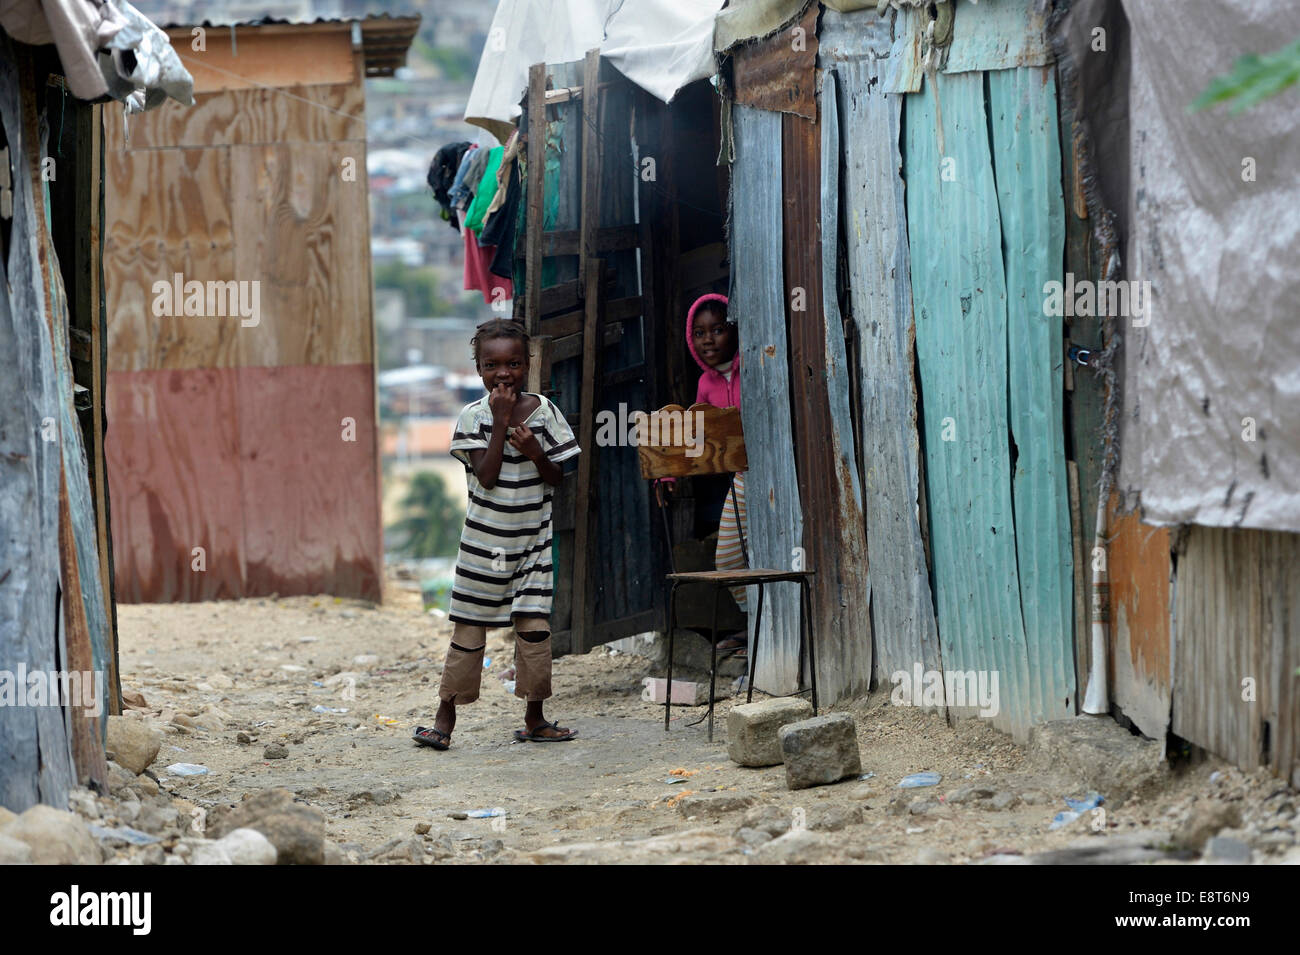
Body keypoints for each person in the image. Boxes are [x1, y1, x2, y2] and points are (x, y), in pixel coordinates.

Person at [413, 319, 580, 749]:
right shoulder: (473, 417)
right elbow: (486, 477)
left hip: (531, 546)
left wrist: (535, 451)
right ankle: (444, 721)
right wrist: (502, 423)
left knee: (534, 632)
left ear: (527, 365)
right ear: (478, 369)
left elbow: (557, 477)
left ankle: (535, 718)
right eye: (492, 364)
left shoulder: (546, 413)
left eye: (513, 363)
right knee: (468, 635)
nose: (503, 373)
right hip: (482, 548)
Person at [686, 293, 750, 653]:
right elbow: (697, 439)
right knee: (727, 559)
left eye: (718, 329)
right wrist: (667, 474)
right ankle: (756, 621)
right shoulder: (706, 385)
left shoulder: (754, 364)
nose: (708, 339)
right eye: (699, 333)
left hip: (782, 477)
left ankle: (774, 627)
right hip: (742, 479)